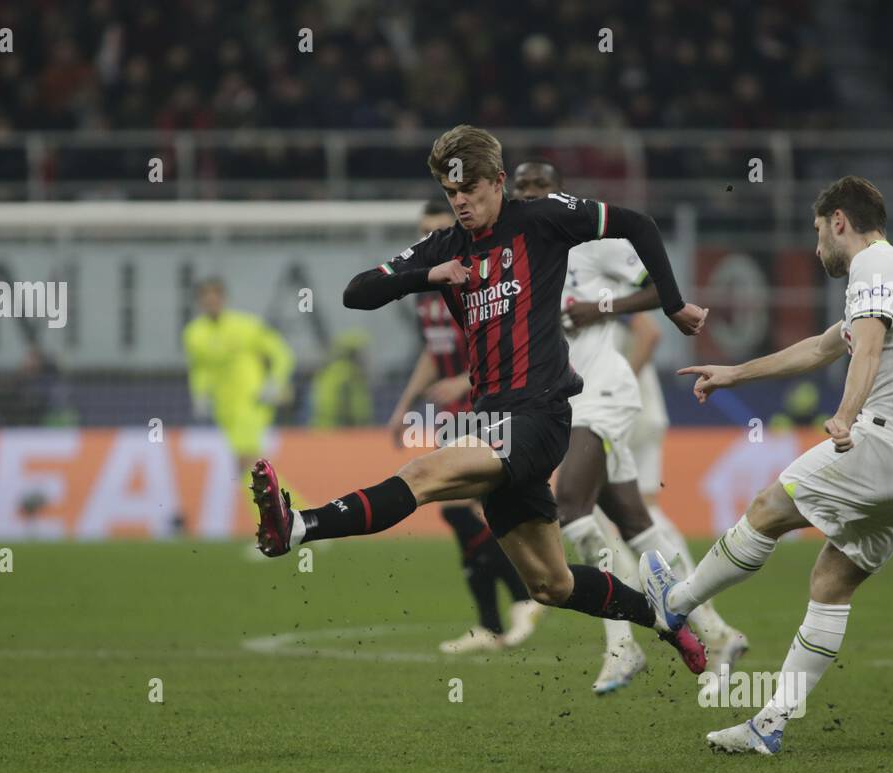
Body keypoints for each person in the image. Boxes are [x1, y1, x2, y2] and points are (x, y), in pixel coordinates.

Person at [250, 124, 710, 672]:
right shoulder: (444, 245)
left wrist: (675, 303)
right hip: (491, 421)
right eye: (451, 194)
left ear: (497, 182)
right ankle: (664, 618)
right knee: (550, 582)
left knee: (424, 475)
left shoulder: (541, 220)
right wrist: (428, 274)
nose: (461, 202)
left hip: (539, 415)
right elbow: (356, 292)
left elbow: (638, 223)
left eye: (470, 190)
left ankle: (298, 525)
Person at [641, 176, 893, 755]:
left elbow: (866, 346)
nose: (817, 250)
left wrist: (844, 414)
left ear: (840, 221)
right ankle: (770, 725)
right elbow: (821, 347)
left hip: (886, 442)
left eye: (818, 233)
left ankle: (677, 603)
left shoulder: (873, 267)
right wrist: (735, 372)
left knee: (767, 509)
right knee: (832, 582)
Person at [512, 159, 746, 693]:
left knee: (568, 505)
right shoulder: (514, 253)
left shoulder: (589, 241)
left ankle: (621, 645)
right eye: (521, 186)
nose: (529, 194)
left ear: (558, 191)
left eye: (539, 185)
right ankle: (716, 630)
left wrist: (602, 306)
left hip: (605, 387)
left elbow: (654, 291)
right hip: (564, 398)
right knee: (635, 521)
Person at [385, 199, 542, 653]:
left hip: (487, 407)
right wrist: (404, 405)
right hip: (454, 416)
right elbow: (433, 353)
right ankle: (495, 622)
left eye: (437, 230)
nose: (429, 240)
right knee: (463, 514)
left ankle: (522, 596)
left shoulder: (479, 280)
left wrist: (461, 380)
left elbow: (504, 341)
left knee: (465, 509)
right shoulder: (428, 293)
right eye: (423, 232)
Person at [183, 278, 295, 480]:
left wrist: (274, 382)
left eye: (215, 297)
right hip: (224, 408)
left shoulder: (247, 326)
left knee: (250, 461)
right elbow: (199, 369)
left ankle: (278, 505)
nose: (211, 303)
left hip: (253, 399)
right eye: (206, 299)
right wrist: (199, 395)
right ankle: (272, 505)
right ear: (199, 302)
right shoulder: (194, 334)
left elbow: (281, 353)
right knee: (244, 465)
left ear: (223, 299)